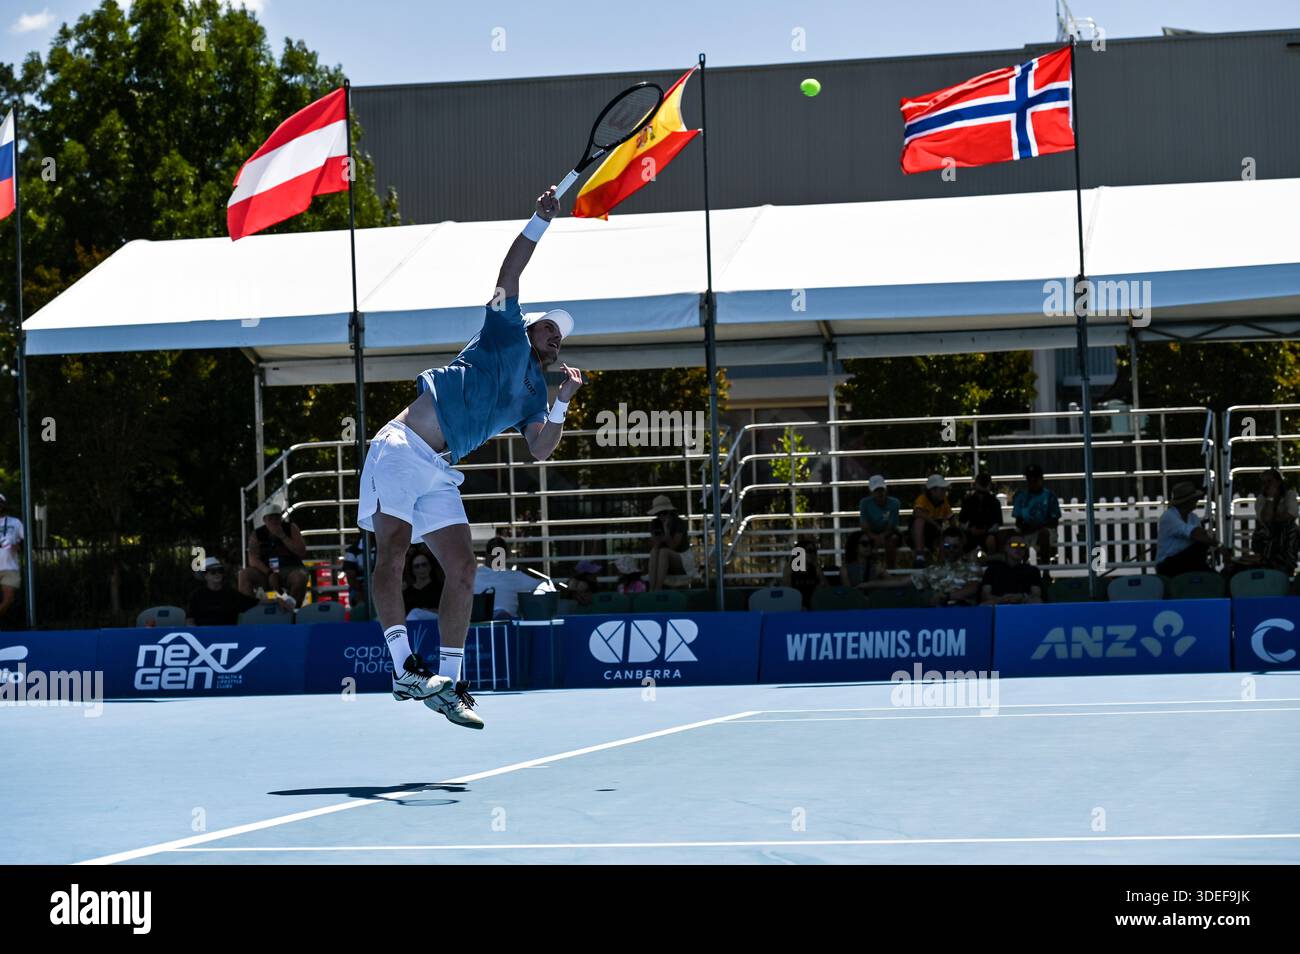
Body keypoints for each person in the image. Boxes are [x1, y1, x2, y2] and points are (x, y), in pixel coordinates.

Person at [357, 185, 582, 729]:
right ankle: (403, 667)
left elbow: (539, 450)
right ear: (530, 326)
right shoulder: (503, 328)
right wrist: (538, 220)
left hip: (437, 469)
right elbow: (510, 272)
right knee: (391, 552)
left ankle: (452, 683)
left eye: (561, 337)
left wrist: (561, 404)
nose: (554, 338)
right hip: (400, 449)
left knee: (463, 569)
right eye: (549, 327)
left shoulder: (535, 394)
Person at [187, 556, 294, 626]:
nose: (218, 574)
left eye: (220, 571)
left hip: (229, 638)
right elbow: (190, 620)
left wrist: (277, 600)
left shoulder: (231, 594)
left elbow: (255, 602)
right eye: (213, 572)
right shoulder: (196, 596)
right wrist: (197, 635)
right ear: (205, 576)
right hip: (203, 638)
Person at [239, 509, 309, 607]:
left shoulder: (290, 528)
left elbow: (302, 552)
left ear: (281, 518)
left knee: (300, 578)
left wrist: (283, 536)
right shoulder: (257, 534)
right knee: (244, 574)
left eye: (277, 517)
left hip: (291, 569)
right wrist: (269, 572)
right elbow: (253, 559)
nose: (274, 521)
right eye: (270, 518)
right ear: (264, 520)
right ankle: (248, 610)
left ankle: (292, 610)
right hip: (265, 571)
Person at [1155, 482, 1217, 577]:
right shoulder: (1169, 516)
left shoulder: (1193, 518)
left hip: (1187, 561)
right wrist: (1218, 545)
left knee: (1200, 547)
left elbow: (1200, 535)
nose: (1197, 500)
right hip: (1168, 564)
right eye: (1194, 498)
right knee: (1199, 546)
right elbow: (1194, 533)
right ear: (1187, 501)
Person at [473, 536, 545, 619]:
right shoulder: (473, 575)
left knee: (503, 615)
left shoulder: (516, 576)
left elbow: (543, 586)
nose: (495, 555)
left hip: (508, 623)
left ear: (506, 555)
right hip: (481, 625)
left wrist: (532, 605)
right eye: (492, 551)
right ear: (486, 554)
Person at [913, 527, 984, 606]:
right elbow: (906, 581)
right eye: (947, 546)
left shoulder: (972, 567)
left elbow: (973, 588)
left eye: (955, 546)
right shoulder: (933, 570)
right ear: (942, 545)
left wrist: (946, 597)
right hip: (937, 612)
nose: (951, 549)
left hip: (963, 611)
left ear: (962, 545)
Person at [1251, 468, 1299, 575]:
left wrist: (1273, 516)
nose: (1266, 485)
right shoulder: (1261, 499)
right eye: (1264, 482)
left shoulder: (1289, 495)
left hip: (1286, 533)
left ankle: (1286, 565)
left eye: (1269, 481)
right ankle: (1268, 563)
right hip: (1267, 534)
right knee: (1266, 531)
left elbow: (1291, 515)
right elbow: (1265, 520)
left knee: (1292, 530)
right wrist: (1270, 498)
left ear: (1278, 482)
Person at [1012, 465, 1061, 563]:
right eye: (1029, 479)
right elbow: (1018, 521)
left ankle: (1046, 571)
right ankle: (1020, 568)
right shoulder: (1021, 496)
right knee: (1015, 538)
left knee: (1044, 534)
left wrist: (1038, 526)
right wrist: (1026, 528)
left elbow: (1054, 521)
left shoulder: (1049, 496)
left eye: (1035, 479)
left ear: (1041, 479)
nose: (1032, 482)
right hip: (1026, 531)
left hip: (1045, 531)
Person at [646, 496, 696, 591]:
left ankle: (657, 589)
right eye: (658, 513)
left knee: (664, 552)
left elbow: (673, 546)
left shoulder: (679, 522)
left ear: (670, 512)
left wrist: (666, 530)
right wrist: (656, 539)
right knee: (655, 551)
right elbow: (655, 546)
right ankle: (652, 590)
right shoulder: (655, 523)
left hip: (682, 559)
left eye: (664, 513)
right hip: (663, 559)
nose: (661, 516)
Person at [980, 534, 1044, 605]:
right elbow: (985, 595)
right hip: (998, 605)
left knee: (1037, 602)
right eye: (1014, 545)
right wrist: (1001, 599)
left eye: (1022, 546)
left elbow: (1036, 594)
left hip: (1023, 605)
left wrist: (1021, 597)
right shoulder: (992, 570)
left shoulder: (1032, 570)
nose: (1018, 548)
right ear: (1005, 548)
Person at [909, 473, 953, 567]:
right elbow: (917, 512)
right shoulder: (922, 499)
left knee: (946, 533)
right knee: (919, 521)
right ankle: (920, 555)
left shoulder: (944, 501)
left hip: (935, 534)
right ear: (932, 490)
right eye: (942, 489)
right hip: (917, 534)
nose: (944, 491)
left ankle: (942, 561)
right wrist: (936, 525)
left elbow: (951, 518)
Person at [858, 475, 901, 569]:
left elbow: (891, 526)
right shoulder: (864, 503)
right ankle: (870, 570)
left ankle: (891, 570)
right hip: (871, 533)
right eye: (876, 490)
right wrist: (873, 536)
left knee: (892, 540)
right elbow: (864, 524)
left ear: (886, 490)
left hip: (888, 534)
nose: (880, 493)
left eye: (881, 490)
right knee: (865, 542)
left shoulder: (895, 503)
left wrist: (881, 536)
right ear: (871, 492)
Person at [958, 472, 1003, 556]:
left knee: (991, 540)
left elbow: (996, 525)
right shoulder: (968, 501)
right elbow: (961, 523)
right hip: (970, 533)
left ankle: (990, 562)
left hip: (988, 534)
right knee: (961, 539)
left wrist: (985, 531)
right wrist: (970, 530)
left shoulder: (994, 502)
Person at [781, 536, 830, 608]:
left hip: (814, 607)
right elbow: (786, 591)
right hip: (795, 607)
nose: (813, 554)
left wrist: (818, 569)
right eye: (810, 551)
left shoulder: (815, 568)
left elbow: (827, 589)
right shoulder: (791, 568)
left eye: (815, 551)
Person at [0, 493, 24, 627]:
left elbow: (25, 544)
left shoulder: (15, 522)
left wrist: (15, 545)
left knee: (8, 599)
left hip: (10, 567)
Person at [402, 544, 444, 616]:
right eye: (416, 566)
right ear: (412, 570)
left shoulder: (440, 588)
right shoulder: (407, 592)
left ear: (430, 566)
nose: (421, 569)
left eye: (424, 565)